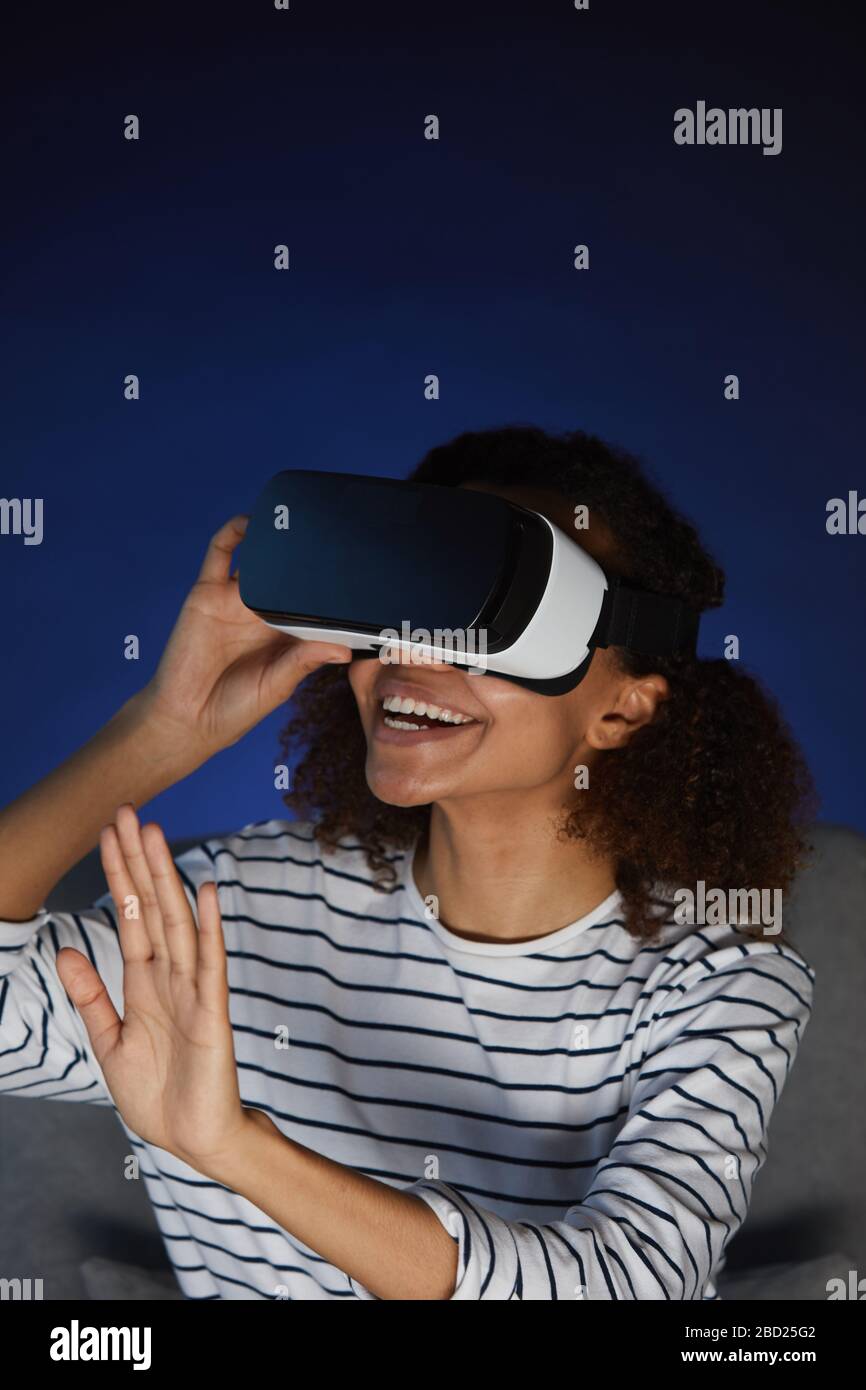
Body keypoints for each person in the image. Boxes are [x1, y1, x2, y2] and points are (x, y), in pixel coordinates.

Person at [0, 425, 816, 1300]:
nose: (411, 652)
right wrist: (158, 731)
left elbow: (625, 1286)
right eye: (400, 600)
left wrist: (235, 1147)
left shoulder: (721, 984)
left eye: (493, 617)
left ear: (619, 713)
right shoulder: (226, 913)